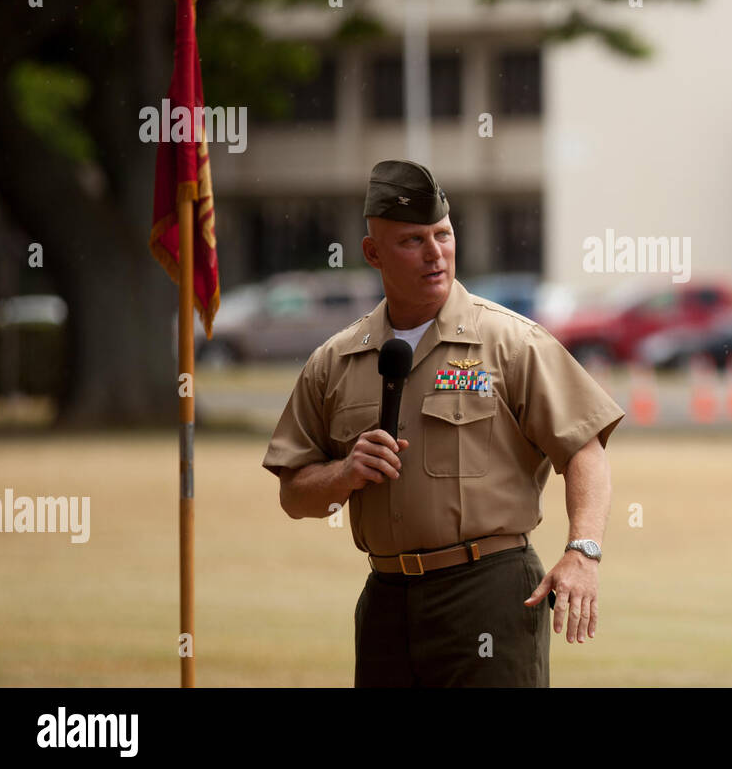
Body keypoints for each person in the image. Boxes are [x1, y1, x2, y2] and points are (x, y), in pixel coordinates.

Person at [261, 159, 624, 686]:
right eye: (412, 240)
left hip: (489, 594)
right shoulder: (335, 361)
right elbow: (294, 492)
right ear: (372, 253)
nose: (435, 254)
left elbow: (585, 450)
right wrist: (343, 475)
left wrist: (583, 551)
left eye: (443, 235)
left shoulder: (511, 342)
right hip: (386, 602)